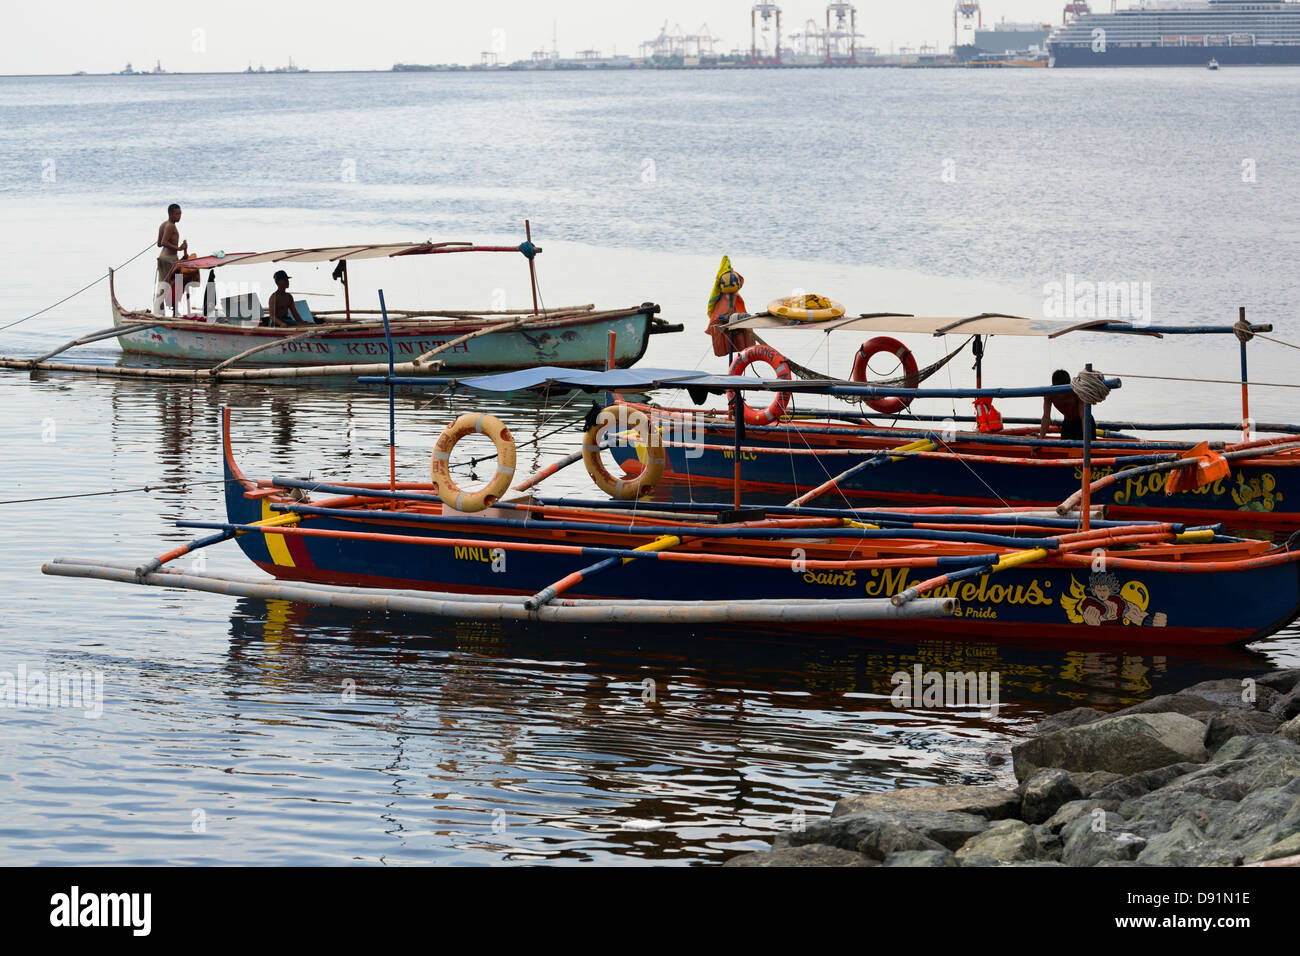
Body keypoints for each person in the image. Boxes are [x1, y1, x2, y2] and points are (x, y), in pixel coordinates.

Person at [155, 203, 188, 315]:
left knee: (163, 284)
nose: (179, 216)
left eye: (180, 214)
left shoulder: (163, 224)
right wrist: (179, 248)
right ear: (170, 214)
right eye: (177, 214)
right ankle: (169, 312)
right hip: (169, 259)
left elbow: (159, 244)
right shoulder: (170, 226)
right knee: (172, 284)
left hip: (163, 257)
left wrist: (170, 241)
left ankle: (160, 312)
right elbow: (164, 242)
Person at [1041, 369, 1085, 440]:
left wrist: (1086, 438)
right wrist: (1041, 439)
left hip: (1083, 422)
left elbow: (1083, 416)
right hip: (1067, 423)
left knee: (1087, 448)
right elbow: (1046, 417)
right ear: (1054, 387)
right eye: (1059, 393)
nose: (1062, 396)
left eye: (1066, 394)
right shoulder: (1049, 394)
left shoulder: (1077, 392)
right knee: (1064, 448)